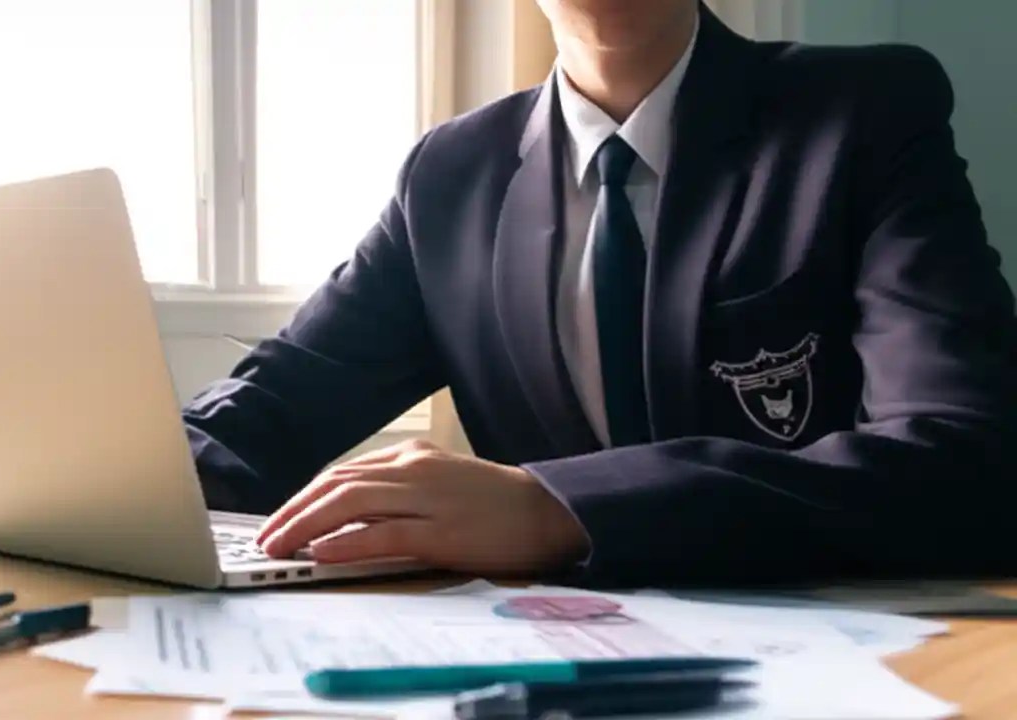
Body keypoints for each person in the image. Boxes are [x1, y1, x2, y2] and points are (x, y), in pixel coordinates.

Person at [183, 0, 1017, 586]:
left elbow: (970, 463)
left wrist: (559, 510)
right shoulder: (449, 176)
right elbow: (263, 418)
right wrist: (102, 490)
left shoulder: (862, 114)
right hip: (545, 668)